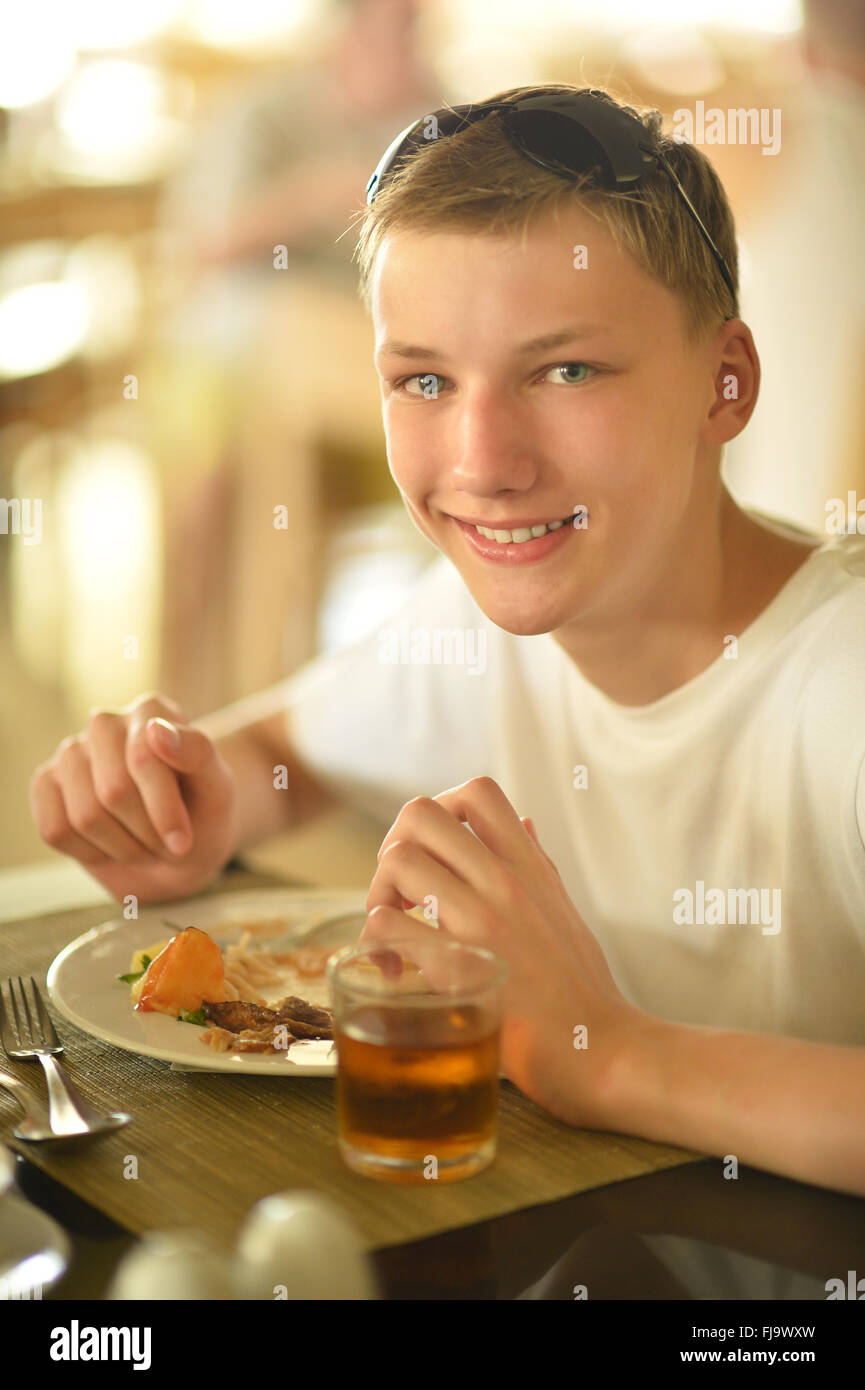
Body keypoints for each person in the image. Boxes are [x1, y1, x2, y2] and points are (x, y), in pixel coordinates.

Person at [29, 85, 865, 1199]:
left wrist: (605, 1053)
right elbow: (284, 748)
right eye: (424, 379)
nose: (482, 461)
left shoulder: (839, 684)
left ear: (726, 383)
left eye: (565, 370)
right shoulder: (481, 621)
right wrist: (187, 804)